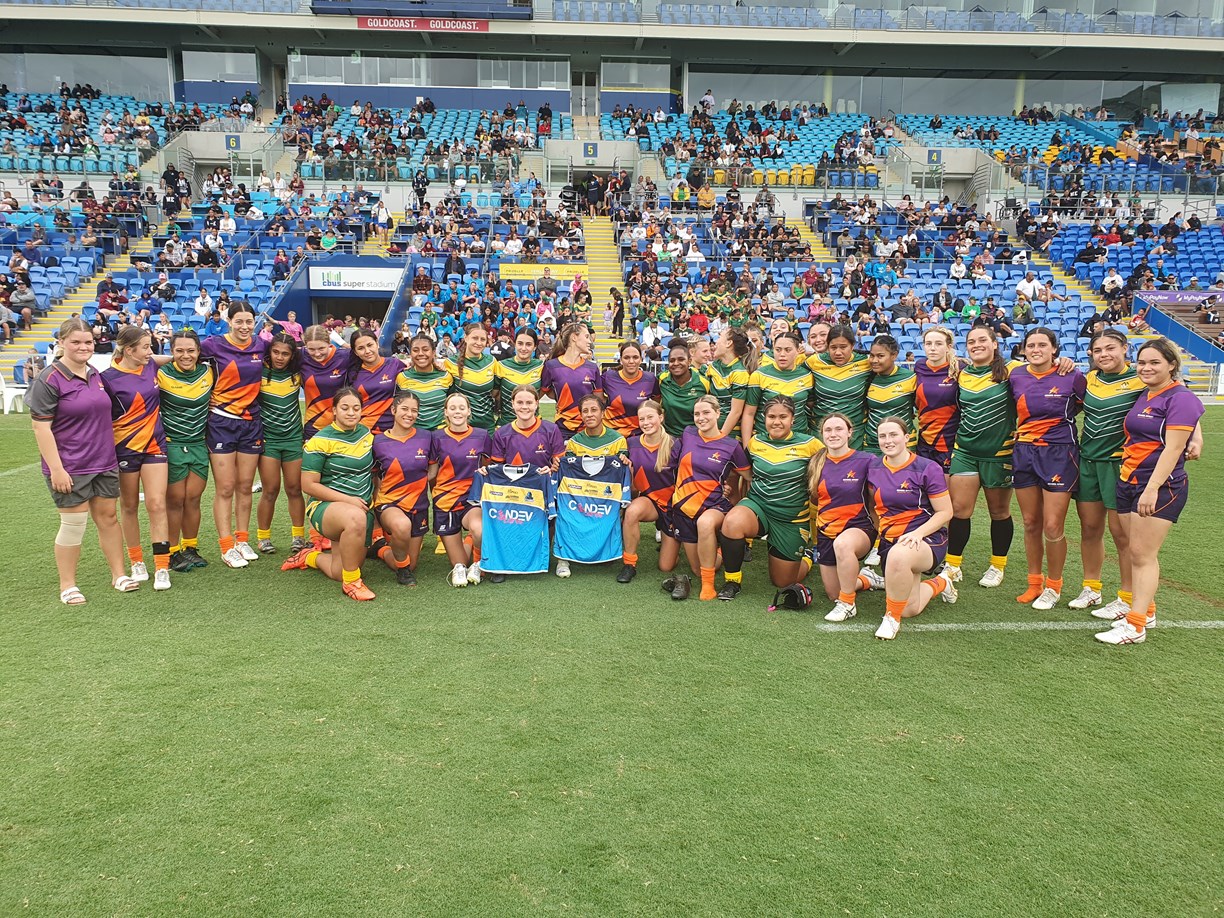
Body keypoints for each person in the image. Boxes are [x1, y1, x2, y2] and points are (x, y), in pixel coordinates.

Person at [1093, 338, 1204, 645]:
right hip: (1129, 479)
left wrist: (1152, 488)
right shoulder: (1146, 393)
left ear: (1172, 365)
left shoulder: (1179, 397)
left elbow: (1175, 447)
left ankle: (1136, 625)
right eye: (1142, 362)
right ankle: (1147, 610)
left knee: (1143, 555)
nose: (1147, 368)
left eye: (1155, 362)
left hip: (1159, 485)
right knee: (1132, 548)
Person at [29, 317, 136, 603]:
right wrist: (56, 469)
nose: (83, 347)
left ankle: (119, 575)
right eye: (75, 342)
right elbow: (41, 427)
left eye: (87, 342)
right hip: (70, 466)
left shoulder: (96, 375)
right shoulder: (49, 379)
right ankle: (68, 586)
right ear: (61, 342)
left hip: (103, 461)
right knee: (74, 524)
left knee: (109, 518)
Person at [716, 396, 822, 600]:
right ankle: (732, 581)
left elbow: (828, 473)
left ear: (793, 419)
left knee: (783, 582)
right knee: (732, 521)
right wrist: (723, 487)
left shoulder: (811, 444)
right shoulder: (756, 442)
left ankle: (806, 558)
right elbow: (739, 470)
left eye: (783, 416)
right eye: (771, 416)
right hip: (758, 506)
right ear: (764, 419)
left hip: (791, 518)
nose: (777, 421)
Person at [1009, 327, 1085, 610]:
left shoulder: (1072, 375)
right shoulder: (1015, 375)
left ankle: (1054, 586)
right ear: (1023, 349)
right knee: (1030, 522)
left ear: (1055, 349)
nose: (1036, 349)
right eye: (1031, 345)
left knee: (1053, 525)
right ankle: (1034, 583)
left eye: (1042, 345)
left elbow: (1092, 404)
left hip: (1059, 453)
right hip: (1024, 453)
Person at [1070, 329, 1144, 615]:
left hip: (1119, 465)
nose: (1104, 354)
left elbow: (1180, 401)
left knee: (1121, 534)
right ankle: (1092, 588)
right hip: (1088, 462)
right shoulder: (1088, 380)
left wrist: (1196, 436)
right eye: (1098, 350)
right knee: (1090, 528)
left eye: (1110, 348)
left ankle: (1127, 597)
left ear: (1125, 348)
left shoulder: (1141, 379)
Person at [281, 387, 377, 601]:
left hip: (360, 511)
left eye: (356, 408)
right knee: (355, 518)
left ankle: (310, 557)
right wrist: (349, 501)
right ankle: (352, 583)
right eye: (345, 408)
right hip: (326, 508)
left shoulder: (366, 434)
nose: (351, 413)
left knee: (338, 571)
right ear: (334, 410)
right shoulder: (319, 440)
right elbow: (308, 485)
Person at [870, 417, 958, 640]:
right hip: (892, 542)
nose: (888, 440)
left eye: (893, 435)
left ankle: (891, 618)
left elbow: (946, 512)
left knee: (900, 556)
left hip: (927, 539)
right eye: (883, 436)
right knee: (910, 608)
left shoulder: (928, 468)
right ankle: (942, 582)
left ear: (907, 437)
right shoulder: (873, 468)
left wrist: (917, 534)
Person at [103, 326, 173, 591]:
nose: (150, 352)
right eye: (145, 347)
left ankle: (162, 566)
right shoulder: (107, 378)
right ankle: (136, 561)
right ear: (128, 350)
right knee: (129, 506)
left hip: (155, 445)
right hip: (124, 449)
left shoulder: (150, 365)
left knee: (156, 504)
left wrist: (185, 356)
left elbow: (169, 359)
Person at [667, 394, 750, 601]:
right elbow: (670, 465)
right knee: (701, 567)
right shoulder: (687, 434)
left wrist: (736, 497)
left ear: (718, 414)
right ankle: (720, 550)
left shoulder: (731, 446)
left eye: (706, 412)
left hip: (714, 506)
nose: (701, 417)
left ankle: (708, 586)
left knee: (705, 523)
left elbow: (747, 477)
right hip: (683, 510)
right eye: (697, 413)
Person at [201, 301, 265, 568]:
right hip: (221, 423)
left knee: (244, 486)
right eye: (239, 321)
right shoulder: (212, 345)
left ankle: (242, 540)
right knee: (226, 487)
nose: (244, 326)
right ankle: (226, 545)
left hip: (252, 422)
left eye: (249, 321)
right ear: (229, 321)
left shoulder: (262, 344)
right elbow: (181, 357)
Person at [809, 413, 883, 622]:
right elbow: (815, 499)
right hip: (826, 534)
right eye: (828, 430)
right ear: (822, 434)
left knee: (843, 545)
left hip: (859, 528)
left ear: (850, 432)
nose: (833, 434)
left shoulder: (866, 460)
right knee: (834, 593)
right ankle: (865, 579)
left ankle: (848, 604)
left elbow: (879, 498)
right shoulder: (817, 462)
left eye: (839, 429)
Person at [157, 329, 213, 572]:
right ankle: (171, 551)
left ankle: (190, 547)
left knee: (193, 499)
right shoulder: (160, 373)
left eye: (190, 350)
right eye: (179, 350)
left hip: (199, 444)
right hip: (172, 444)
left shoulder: (209, 372)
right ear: (171, 352)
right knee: (175, 500)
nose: (185, 355)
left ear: (199, 352)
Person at [369, 392, 433, 587]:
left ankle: (379, 549)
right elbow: (372, 477)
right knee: (401, 526)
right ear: (394, 410)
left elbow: (434, 468)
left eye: (414, 410)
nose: (409, 414)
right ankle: (402, 572)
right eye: (405, 409)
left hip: (418, 506)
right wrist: (374, 513)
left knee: (410, 563)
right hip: (389, 504)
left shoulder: (426, 437)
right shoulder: (377, 441)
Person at [431, 392, 492, 588]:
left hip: (470, 499)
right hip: (444, 501)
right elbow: (431, 472)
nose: (457, 411)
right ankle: (464, 560)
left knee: (479, 529)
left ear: (469, 412)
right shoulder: (436, 437)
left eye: (462, 408)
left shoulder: (482, 436)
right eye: (453, 408)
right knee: (459, 563)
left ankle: (478, 563)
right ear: (445, 413)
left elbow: (490, 467)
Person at [618, 400, 680, 583]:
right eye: (641, 419)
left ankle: (679, 541)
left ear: (661, 417)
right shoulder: (631, 444)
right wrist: (625, 465)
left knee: (666, 566)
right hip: (650, 502)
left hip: (673, 507)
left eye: (650, 417)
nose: (646, 422)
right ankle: (629, 564)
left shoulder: (676, 445)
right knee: (632, 512)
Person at [256, 333, 306, 555]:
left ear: (292, 355)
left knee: (295, 488)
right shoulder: (260, 372)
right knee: (271, 489)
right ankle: (263, 538)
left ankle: (298, 536)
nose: (280, 357)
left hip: (294, 438)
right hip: (269, 440)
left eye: (285, 354)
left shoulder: (297, 374)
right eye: (276, 352)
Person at [807, 325, 872, 448]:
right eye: (833, 347)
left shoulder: (865, 363)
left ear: (852, 346)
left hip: (854, 435)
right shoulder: (814, 361)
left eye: (843, 347)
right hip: (821, 433)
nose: (838, 352)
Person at [742, 331, 814, 441]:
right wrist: (747, 447)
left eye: (788, 350)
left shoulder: (807, 375)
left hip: (799, 439)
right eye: (778, 350)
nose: (782, 354)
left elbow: (811, 407)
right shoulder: (759, 375)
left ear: (797, 351)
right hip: (765, 439)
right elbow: (749, 413)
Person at [913, 327, 959, 473]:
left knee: (947, 493)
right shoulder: (919, 366)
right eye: (928, 343)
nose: (933, 348)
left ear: (948, 347)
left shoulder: (959, 369)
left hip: (949, 443)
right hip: (924, 442)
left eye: (938, 344)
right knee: (924, 491)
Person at [542, 323, 600, 438]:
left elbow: (599, 400)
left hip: (589, 429)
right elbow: (543, 393)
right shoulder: (551, 366)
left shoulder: (592, 368)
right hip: (563, 429)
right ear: (574, 337)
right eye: (587, 337)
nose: (590, 342)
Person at [863, 335, 917, 455]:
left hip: (903, 444)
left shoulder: (910, 377)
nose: (874, 360)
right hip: (872, 444)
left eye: (880, 356)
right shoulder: (867, 378)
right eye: (872, 355)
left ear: (894, 355)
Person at [346, 328, 403, 436]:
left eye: (370, 345)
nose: (367, 351)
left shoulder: (394, 364)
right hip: (362, 432)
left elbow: (416, 371)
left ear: (377, 343)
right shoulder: (352, 373)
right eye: (361, 348)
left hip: (392, 431)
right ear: (355, 352)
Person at [445, 323, 498, 431]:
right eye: (475, 338)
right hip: (460, 428)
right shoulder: (450, 363)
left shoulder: (492, 362)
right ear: (465, 337)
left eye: (482, 339)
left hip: (487, 426)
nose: (479, 343)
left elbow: (495, 392)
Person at [601, 340, 659, 438]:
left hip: (638, 435)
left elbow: (656, 404)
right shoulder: (608, 377)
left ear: (641, 359)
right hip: (610, 434)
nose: (631, 361)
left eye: (635, 357)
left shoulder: (650, 379)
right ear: (620, 360)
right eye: (626, 357)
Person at [301, 325, 349, 441]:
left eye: (321, 348)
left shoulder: (345, 356)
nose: (317, 354)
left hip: (342, 425)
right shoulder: (300, 356)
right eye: (311, 349)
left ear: (329, 343)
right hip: (313, 425)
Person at [395, 333, 453, 431]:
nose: (421, 353)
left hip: (441, 432)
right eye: (415, 350)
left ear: (433, 352)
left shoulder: (446, 376)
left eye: (425, 350)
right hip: (413, 434)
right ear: (411, 353)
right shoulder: (402, 377)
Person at [704, 327, 751, 438]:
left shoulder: (739, 373)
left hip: (729, 433)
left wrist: (719, 437)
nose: (716, 341)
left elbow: (736, 412)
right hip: (710, 427)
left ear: (729, 343)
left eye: (720, 337)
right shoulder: (714, 366)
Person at [657, 340, 710, 437]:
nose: (676, 363)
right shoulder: (662, 380)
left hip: (696, 437)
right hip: (669, 437)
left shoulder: (704, 382)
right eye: (672, 360)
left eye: (681, 359)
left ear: (689, 361)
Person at [493, 328, 543, 427]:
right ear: (514, 344)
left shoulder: (541, 366)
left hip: (535, 425)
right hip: (506, 425)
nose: (523, 348)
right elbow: (495, 394)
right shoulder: (501, 366)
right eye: (520, 343)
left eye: (528, 344)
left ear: (535, 347)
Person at [565, 392, 628, 458]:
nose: (589, 415)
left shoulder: (618, 440)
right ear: (581, 416)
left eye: (594, 410)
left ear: (603, 413)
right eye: (585, 411)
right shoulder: (574, 442)